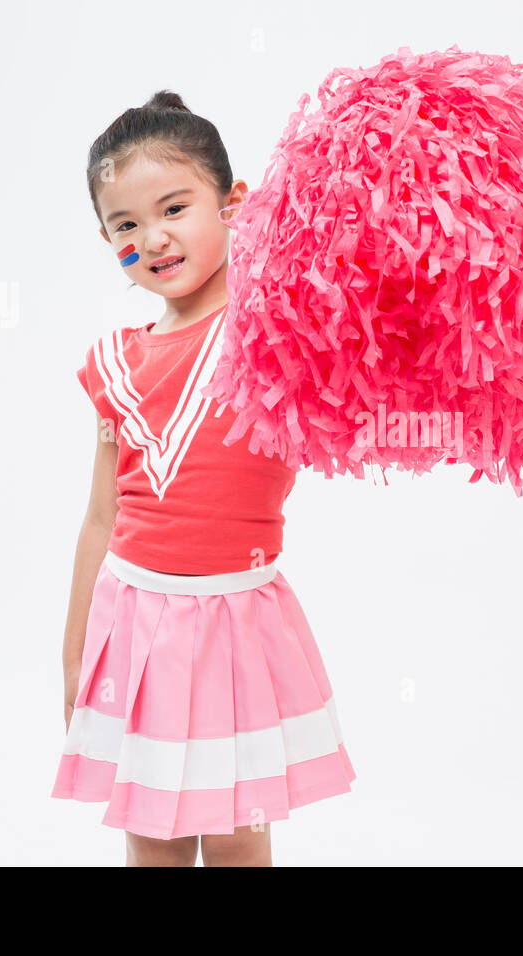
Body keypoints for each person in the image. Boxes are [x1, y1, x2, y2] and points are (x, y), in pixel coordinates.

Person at [50, 90, 356, 867]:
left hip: (235, 625)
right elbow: (99, 517)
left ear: (235, 203)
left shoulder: (275, 328)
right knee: (151, 836)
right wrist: (76, 653)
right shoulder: (114, 363)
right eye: (125, 225)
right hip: (136, 631)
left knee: (237, 837)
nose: (152, 237)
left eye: (175, 207)